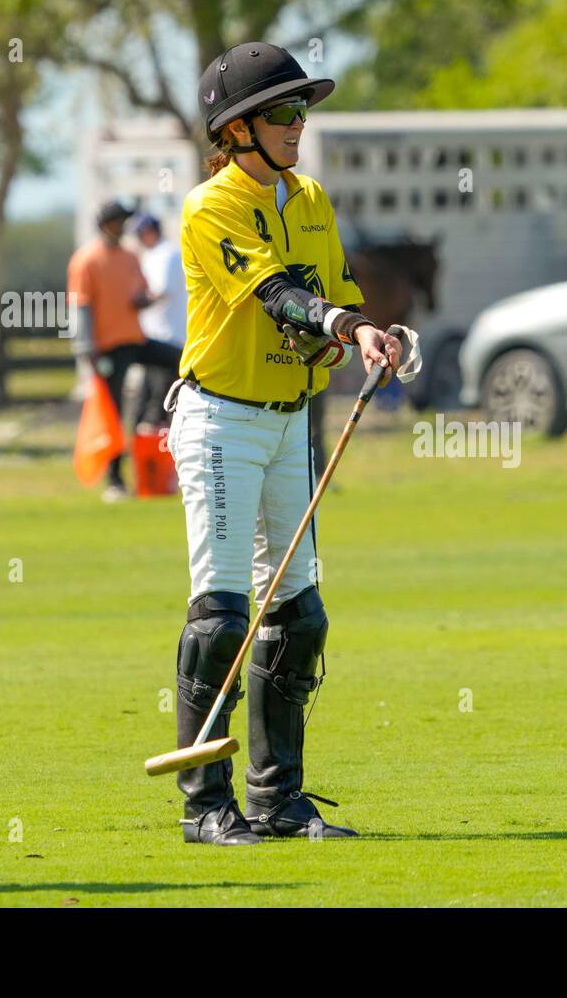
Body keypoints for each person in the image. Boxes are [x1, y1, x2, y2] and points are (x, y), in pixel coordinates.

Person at [165, 41, 401, 845]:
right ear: (235, 130)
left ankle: (277, 800)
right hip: (221, 421)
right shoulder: (211, 207)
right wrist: (336, 321)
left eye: (302, 109)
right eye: (281, 112)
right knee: (224, 614)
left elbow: (337, 291)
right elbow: (278, 294)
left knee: (300, 615)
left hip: (290, 421)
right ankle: (205, 805)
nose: (298, 125)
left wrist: (368, 330)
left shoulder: (312, 199)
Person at [67, 200, 183, 500]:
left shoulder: (131, 256)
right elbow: (81, 307)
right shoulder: (87, 259)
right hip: (107, 347)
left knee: (181, 361)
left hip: (135, 337)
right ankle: (115, 481)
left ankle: (156, 416)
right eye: (120, 221)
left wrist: (147, 299)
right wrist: (85, 348)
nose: (125, 227)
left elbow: (141, 293)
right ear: (106, 224)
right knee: (114, 414)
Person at [132, 213, 186, 430]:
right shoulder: (153, 254)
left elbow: (159, 291)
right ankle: (145, 448)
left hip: (168, 336)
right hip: (154, 334)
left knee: (160, 398)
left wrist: (131, 305)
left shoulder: (168, 253)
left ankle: (158, 449)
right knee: (149, 394)